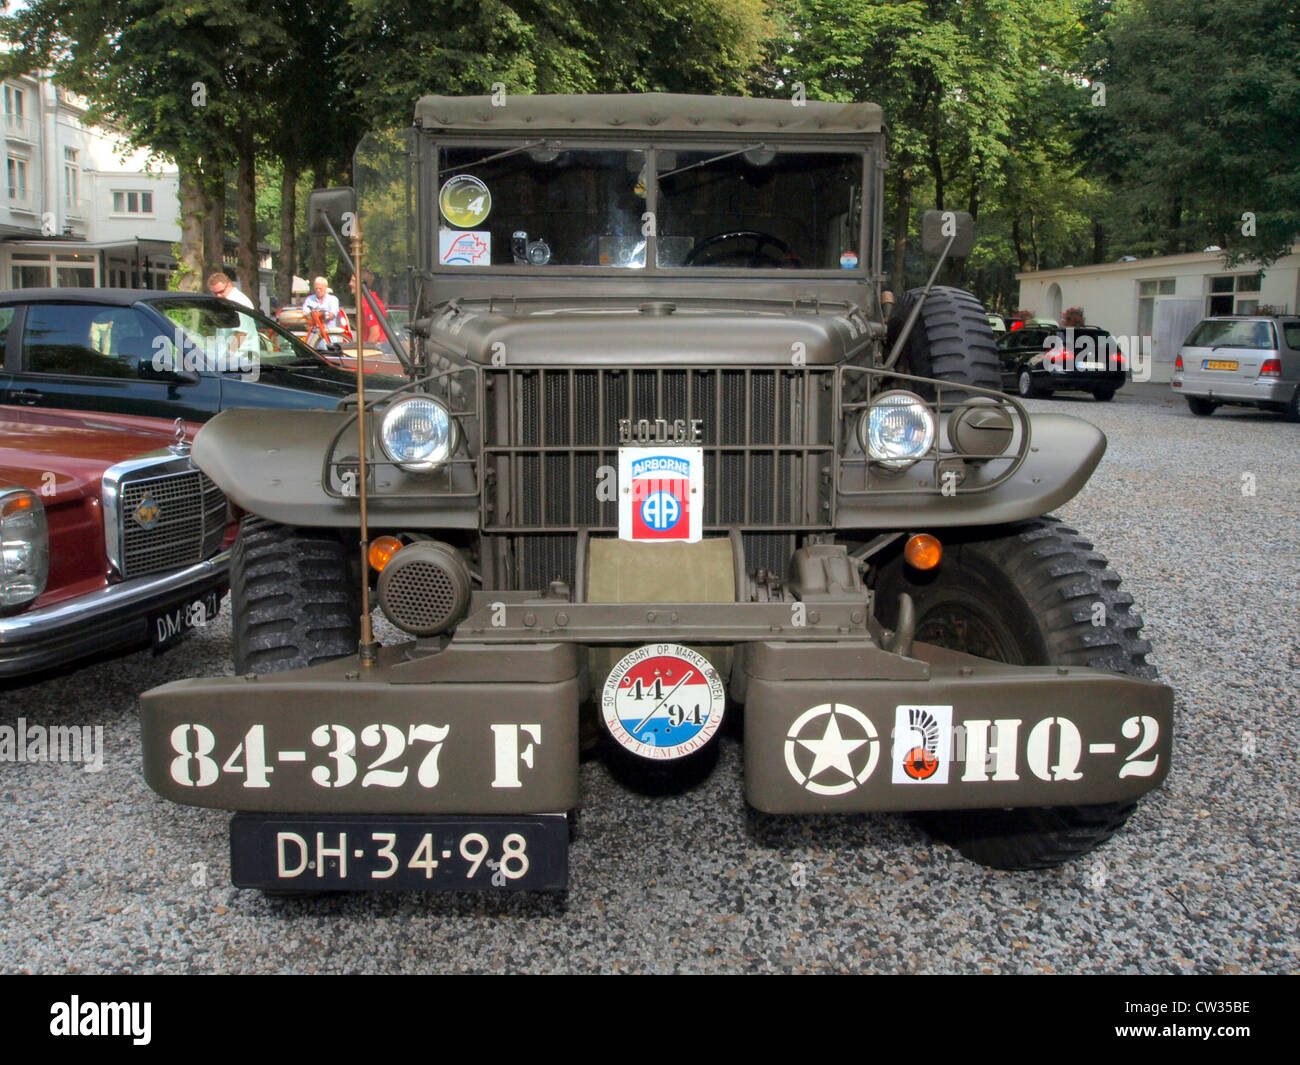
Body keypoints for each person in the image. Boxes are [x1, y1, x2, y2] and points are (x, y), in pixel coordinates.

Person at [301, 276, 341, 349]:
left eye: (320, 288)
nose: (318, 290)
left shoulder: (333, 300)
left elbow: (332, 315)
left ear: (326, 287)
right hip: (313, 336)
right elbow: (305, 314)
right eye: (316, 288)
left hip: (329, 336)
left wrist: (321, 315)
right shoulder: (309, 299)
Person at [350, 270, 388, 344]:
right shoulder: (371, 299)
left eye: (353, 281)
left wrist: (366, 352)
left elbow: (375, 333)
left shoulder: (367, 304)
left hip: (375, 350)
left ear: (363, 284)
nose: (350, 283)